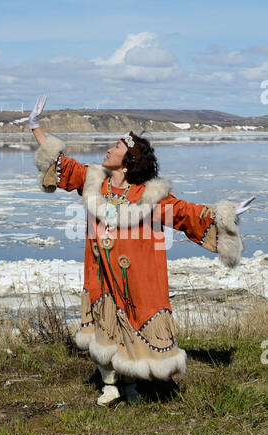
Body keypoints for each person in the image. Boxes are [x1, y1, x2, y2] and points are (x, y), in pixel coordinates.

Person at [29, 95, 255, 406]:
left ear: (129, 159)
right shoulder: (94, 180)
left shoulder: (148, 195)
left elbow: (183, 212)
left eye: (117, 146)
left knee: (132, 323)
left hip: (133, 274)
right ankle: (109, 385)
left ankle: (131, 385)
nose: (109, 149)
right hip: (100, 270)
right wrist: (35, 127)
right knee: (103, 324)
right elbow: (61, 165)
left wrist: (223, 214)